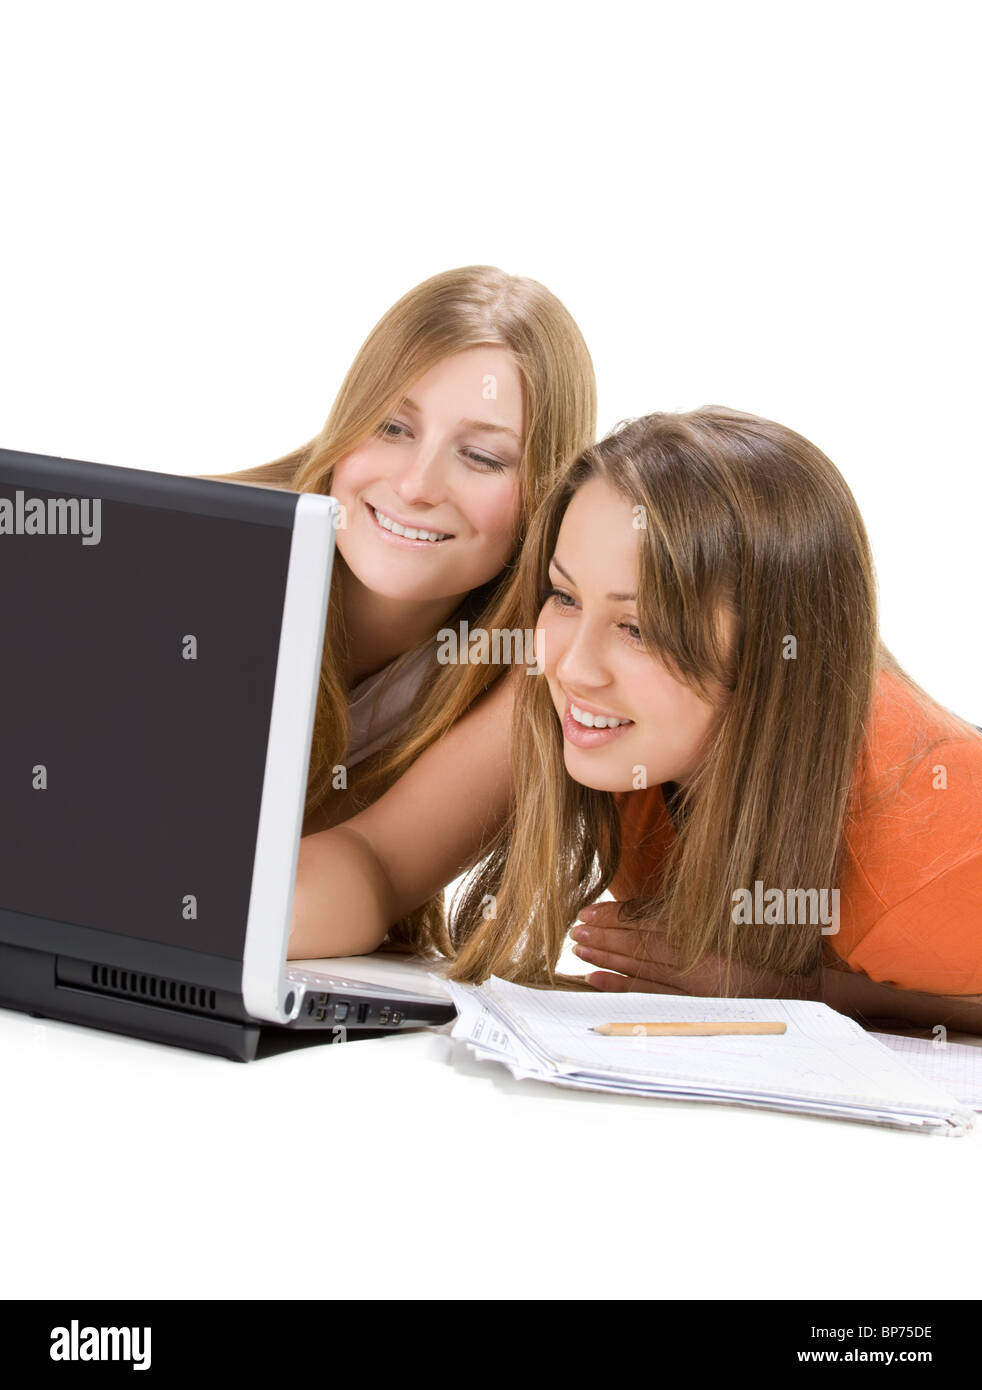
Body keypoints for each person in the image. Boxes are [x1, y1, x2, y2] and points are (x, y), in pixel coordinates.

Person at [443, 406, 982, 1033]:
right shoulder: (627, 749)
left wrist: (796, 989)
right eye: (565, 596)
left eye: (638, 627)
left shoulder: (930, 847)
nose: (573, 668)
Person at [201, 265, 596, 958]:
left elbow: (376, 867)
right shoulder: (206, 554)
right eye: (390, 426)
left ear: (546, 491)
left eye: (480, 457)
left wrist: (184, 912)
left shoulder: (533, 671)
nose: (415, 485)